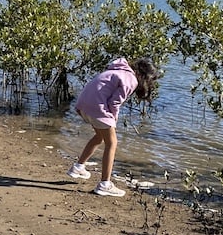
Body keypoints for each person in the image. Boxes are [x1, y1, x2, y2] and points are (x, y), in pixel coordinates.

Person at [68, 57, 159, 197]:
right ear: (142, 75)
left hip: (83, 105)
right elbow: (114, 103)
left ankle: (78, 167)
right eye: (148, 80)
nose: (148, 83)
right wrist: (113, 119)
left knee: (99, 137)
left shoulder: (118, 70)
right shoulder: (131, 79)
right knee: (112, 143)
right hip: (97, 107)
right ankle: (105, 184)